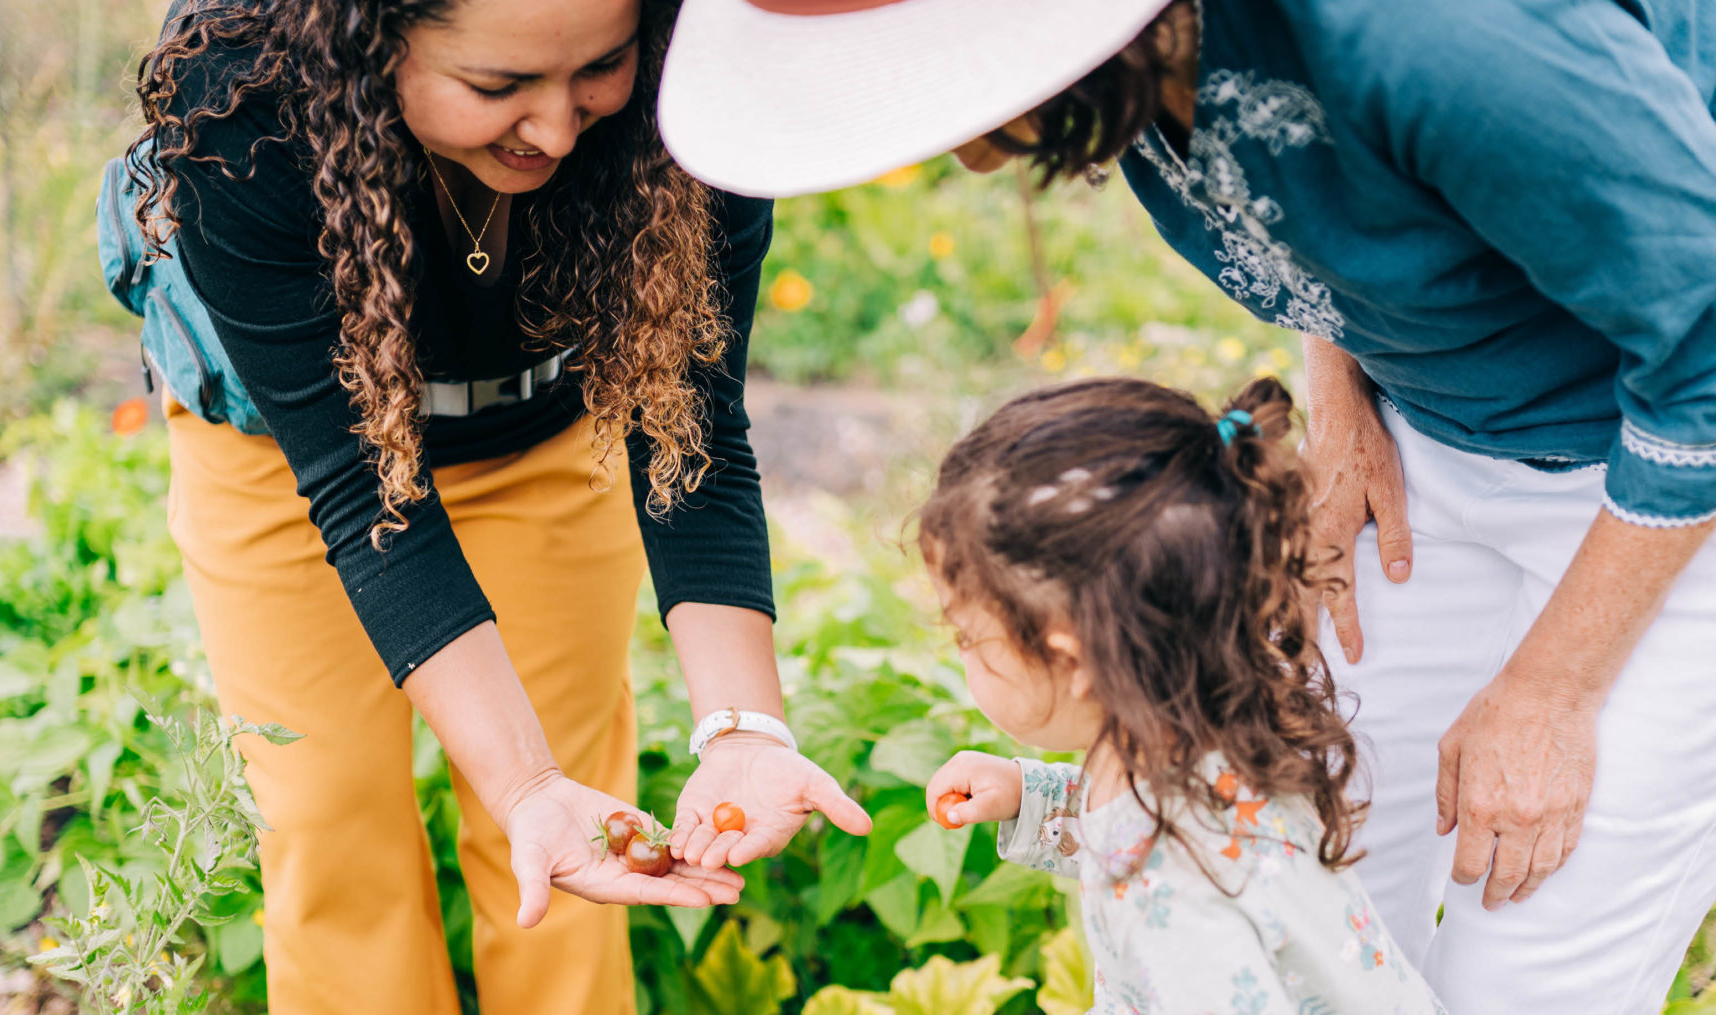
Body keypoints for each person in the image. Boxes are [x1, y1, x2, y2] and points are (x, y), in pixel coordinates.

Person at [659, 1, 1716, 1011]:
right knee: (1356, 837)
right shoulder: (1141, 61)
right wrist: (1341, 400)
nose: (963, 155)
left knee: (1522, 979)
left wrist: (1552, 685)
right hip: (1424, 434)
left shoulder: (1440, 29)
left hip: (1668, 479)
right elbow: (1240, 823)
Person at [129, 0, 870, 1011]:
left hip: (538, 434)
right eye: (496, 88)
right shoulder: (238, 106)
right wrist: (515, 783)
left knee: (577, 823)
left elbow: (691, 423)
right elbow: (359, 490)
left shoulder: (697, 85)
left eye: (598, 68)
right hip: (289, 456)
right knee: (327, 819)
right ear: (367, 42)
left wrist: (743, 728)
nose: (559, 129)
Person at [919, 375, 1446, 1012]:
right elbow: (1164, 820)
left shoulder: (1168, 903)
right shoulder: (1217, 723)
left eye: (968, 634)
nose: (958, 648)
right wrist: (1030, 797)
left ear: (1072, 657)